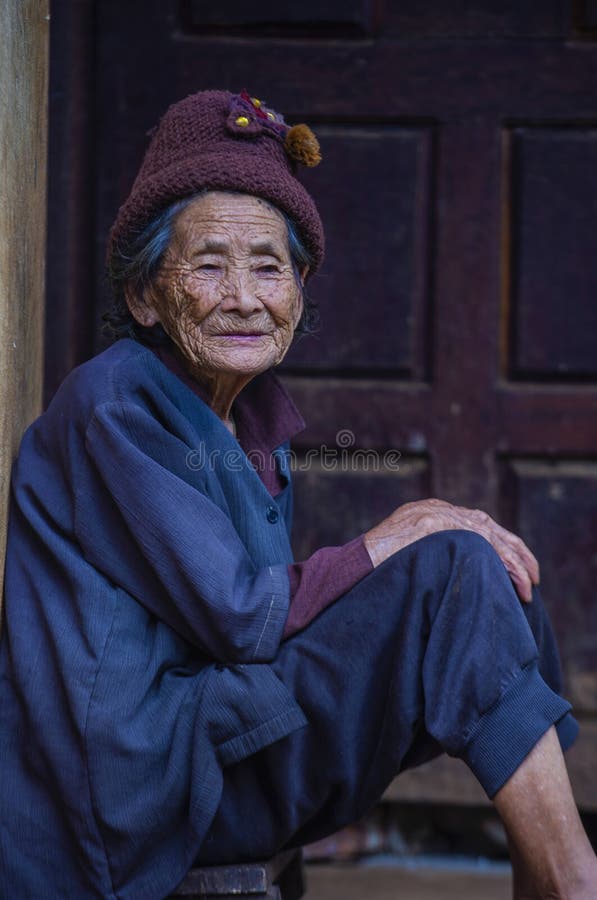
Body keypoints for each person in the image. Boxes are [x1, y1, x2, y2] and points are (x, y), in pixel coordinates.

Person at [0, 89, 595, 900]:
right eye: (208, 265)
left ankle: (549, 876)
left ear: (300, 288)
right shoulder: (113, 406)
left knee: (494, 579)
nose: (244, 296)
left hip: (213, 738)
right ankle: (575, 882)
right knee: (449, 569)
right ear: (143, 296)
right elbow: (240, 616)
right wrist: (390, 539)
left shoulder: (241, 417)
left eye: (268, 266)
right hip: (137, 793)